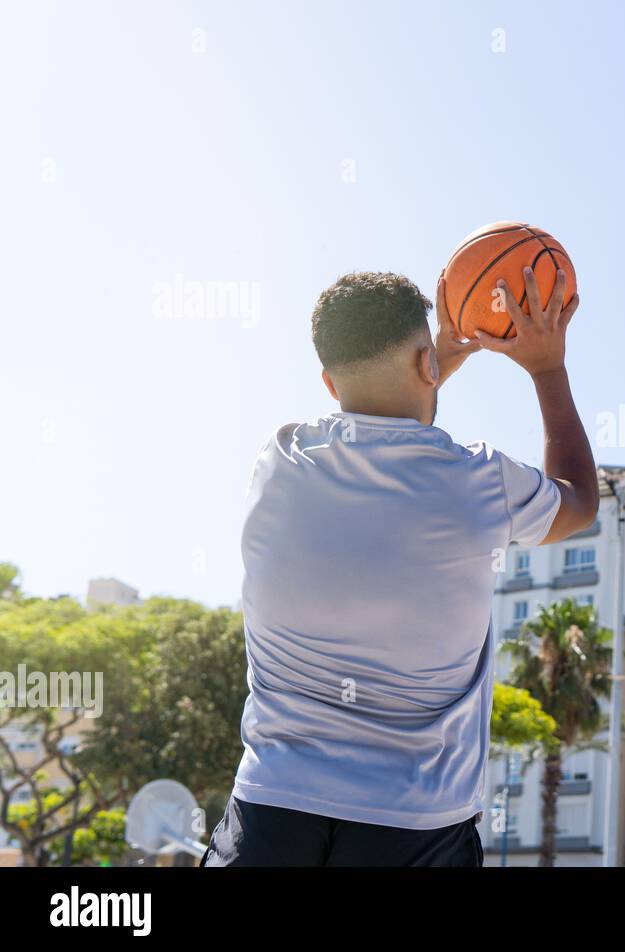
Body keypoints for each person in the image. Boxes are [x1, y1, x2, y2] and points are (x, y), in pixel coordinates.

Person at [201, 266, 596, 866]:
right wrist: (547, 367)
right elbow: (579, 501)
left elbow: (385, 421)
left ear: (329, 383)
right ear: (426, 367)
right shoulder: (482, 482)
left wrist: (432, 357)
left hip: (271, 809)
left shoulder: (279, 460)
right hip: (415, 826)